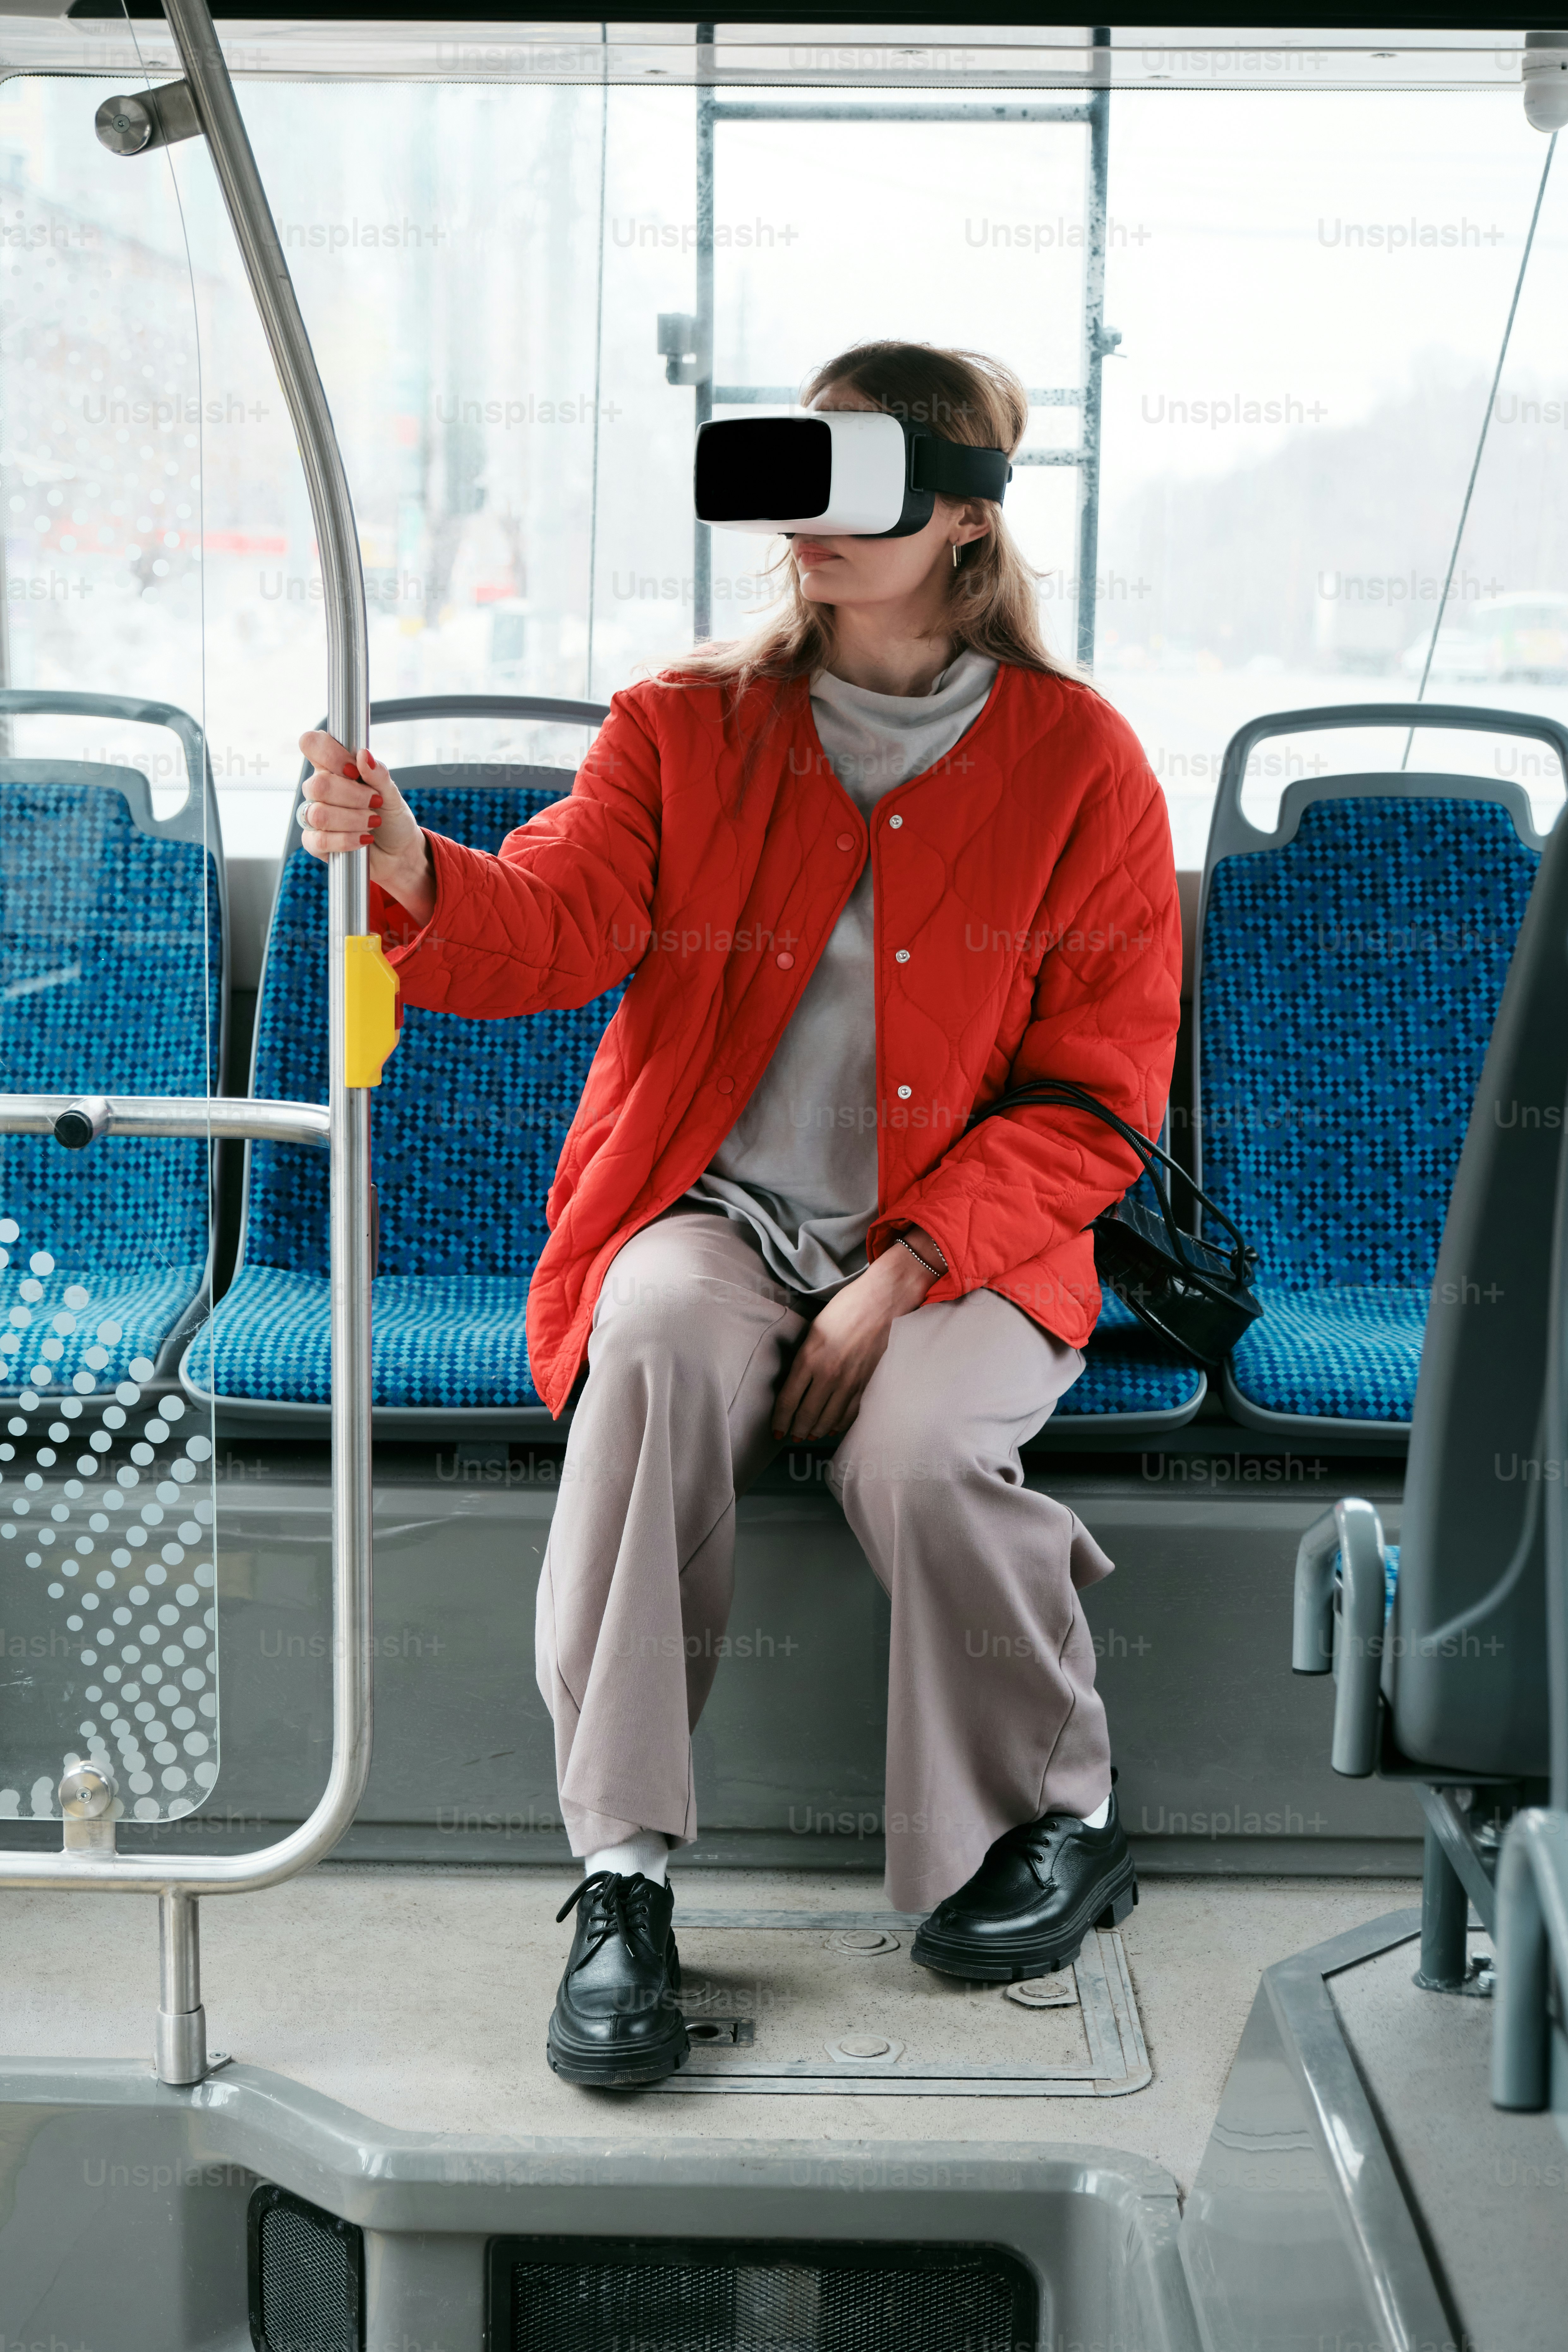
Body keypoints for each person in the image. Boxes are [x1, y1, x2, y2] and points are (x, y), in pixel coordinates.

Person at [299, 340, 1181, 2088]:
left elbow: (1096, 1101)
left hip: (958, 1242)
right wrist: (407, 861)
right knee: (646, 1343)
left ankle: (1056, 1811)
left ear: (960, 519)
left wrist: (903, 1271)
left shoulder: (1082, 766)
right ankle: (621, 1876)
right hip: (712, 1207)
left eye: (862, 485)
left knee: (916, 1452)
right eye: (802, 476)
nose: (812, 524)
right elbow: (550, 923)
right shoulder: (683, 728)